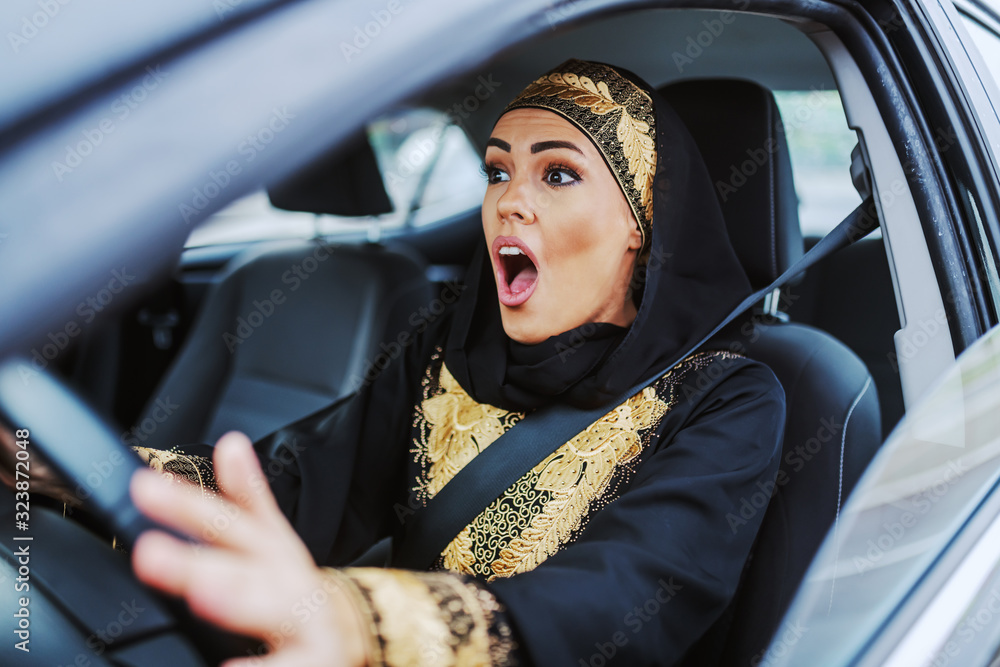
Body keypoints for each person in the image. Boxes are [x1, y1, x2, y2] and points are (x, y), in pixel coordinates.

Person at [13, 59, 786, 666]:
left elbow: (624, 598)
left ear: (642, 221)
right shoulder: (452, 347)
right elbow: (299, 484)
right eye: (496, 171)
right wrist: (82, 476)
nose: (509, 201)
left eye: (557, 174)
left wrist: (357, 620)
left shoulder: (729, 397)